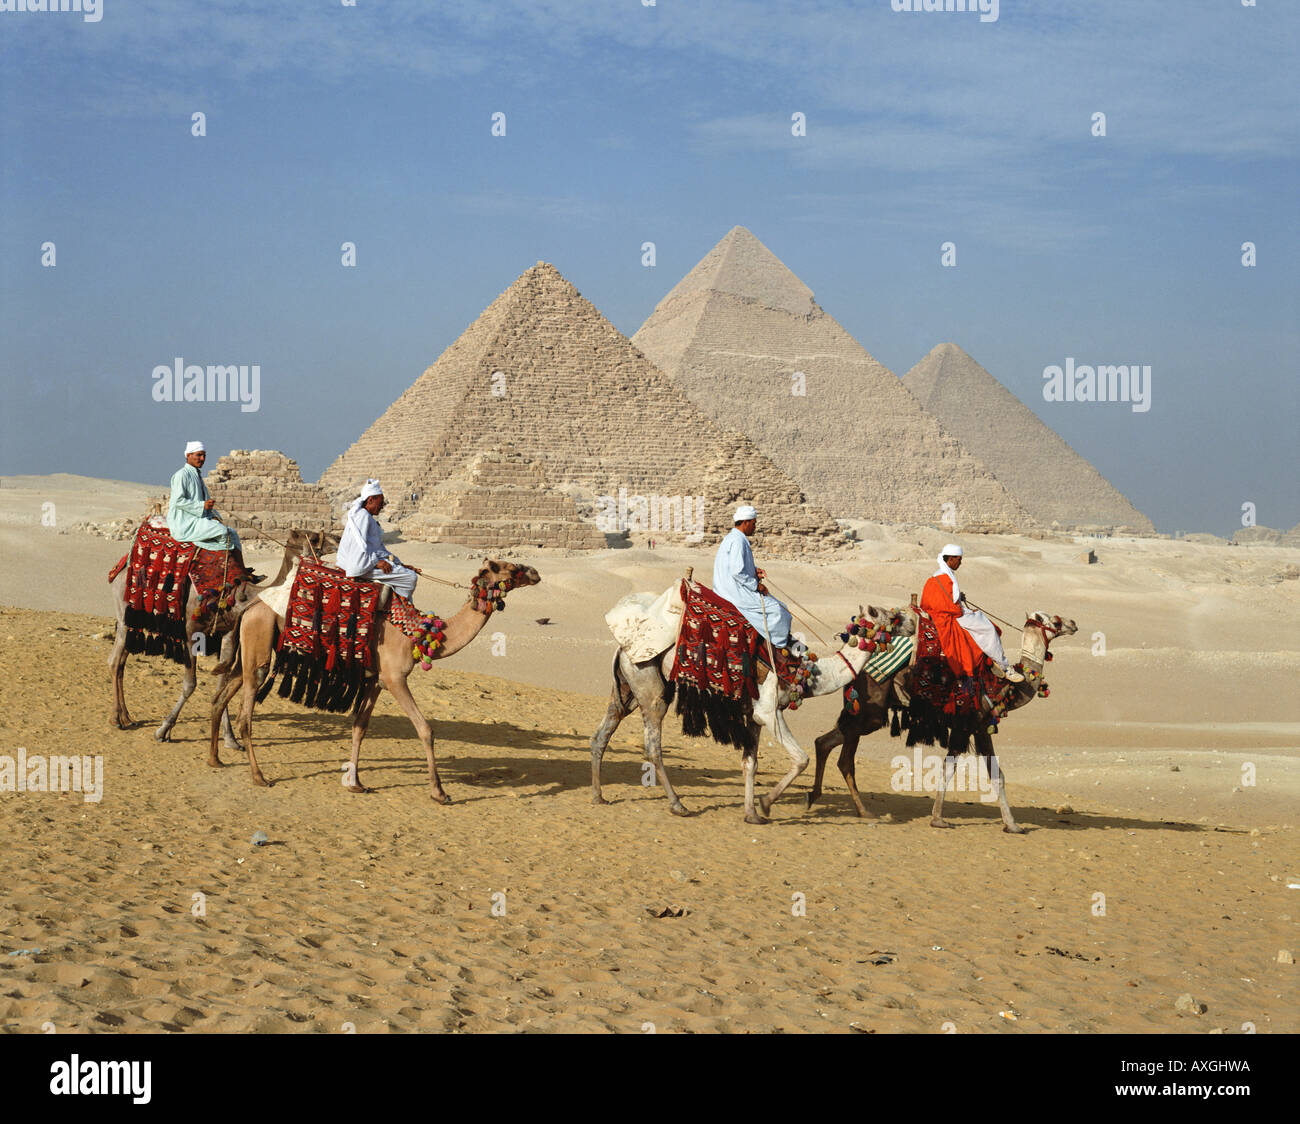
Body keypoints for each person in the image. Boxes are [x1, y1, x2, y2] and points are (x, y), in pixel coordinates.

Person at [920, 544, 1023, 682]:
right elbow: (951, 607)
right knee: (988, 629)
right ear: (950, 559)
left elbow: (941, 600)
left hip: (944, 612)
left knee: (977, 617)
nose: (960, 563)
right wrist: (963, 609)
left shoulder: (937, 575)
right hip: (948, 615)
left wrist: (960, 602)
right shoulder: (945, 578)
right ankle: (1004, 666)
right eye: (959, 559)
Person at [168, 440, 257, 580]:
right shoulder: (182, 475)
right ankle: (225, 571)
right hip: (185, 522)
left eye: (204, 455)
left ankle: (241, 569)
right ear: (189, 455)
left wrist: (214, 514)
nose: (202, 459)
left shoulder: (197, 476)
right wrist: (202, 506)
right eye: (199, 455)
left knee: (232, 533)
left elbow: (206, 501)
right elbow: (178, 501)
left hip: (199, 518)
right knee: (223, 532)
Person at [712, 504, 792, 649]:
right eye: (753, 524)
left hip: (727, 586)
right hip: (734, 592)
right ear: (746, 522)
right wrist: (756, 585)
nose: (755, 527)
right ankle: (777, 647)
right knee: (779, 610)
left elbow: (735, 566)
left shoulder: (732, 537)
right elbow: (736, 571)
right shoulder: (738, 541)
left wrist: (753, 571)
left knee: (778, 607)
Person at [337, 479, 422, 600]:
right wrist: (376, 562)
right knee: (410, 578)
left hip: (364, 561)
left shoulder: (365, 516)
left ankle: (399, 606)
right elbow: (358, 548)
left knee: (405, 573)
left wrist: (400, 564)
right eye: (381, 502)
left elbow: (377, 549)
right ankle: (398, 609)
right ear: (370, 500)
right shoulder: (362, 516)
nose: (382, 506)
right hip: (358, 564)